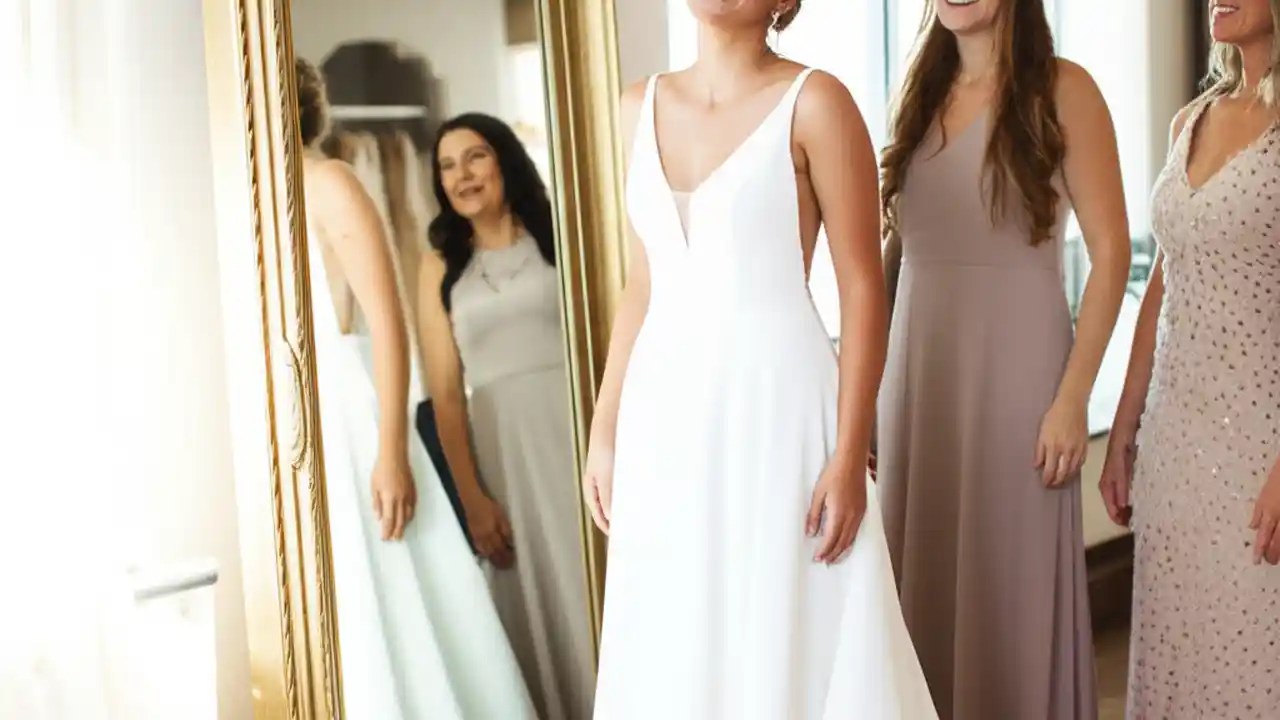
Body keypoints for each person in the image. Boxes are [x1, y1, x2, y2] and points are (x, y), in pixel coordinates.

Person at [585, 2, 937, 717]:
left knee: (790, 622)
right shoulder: (633, 106)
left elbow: (863, 287)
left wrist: (847, 452)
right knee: (676, 628)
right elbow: (641, 285)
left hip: (778, 407)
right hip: (664, 418)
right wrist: (605, 426)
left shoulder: (817, 101)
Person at [876, 0, 1131, 717]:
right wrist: (867, 404)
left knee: (1009, 597)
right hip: (919, 390)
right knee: (916, 597)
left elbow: (1111, 252)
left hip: (1021, 387)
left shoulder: (1064, 88)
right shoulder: (916, 93)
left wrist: (1073, 397)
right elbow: (897, 257)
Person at [294, 59, 535, 720]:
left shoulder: (330, 181)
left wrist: (391, 449)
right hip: (302, 421)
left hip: (353, 410)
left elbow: (388, 321)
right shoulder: (257, 202)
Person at [1097, 1, 1280, 716]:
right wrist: (1123, 430)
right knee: (1179, 653)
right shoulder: (1190, 120)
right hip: (1176, 445)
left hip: (1257, 449)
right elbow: (1164, 286)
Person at [416, 113, 595, 720]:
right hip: (497, 451)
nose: (462, 174)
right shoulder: (438, 267)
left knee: (587, 588)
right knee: (527, 607)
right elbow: (444, 394)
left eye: (475, 156)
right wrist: (472, 497)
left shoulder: (557, 233)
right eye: (447, 165)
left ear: (504, 161)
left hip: (572, 438)